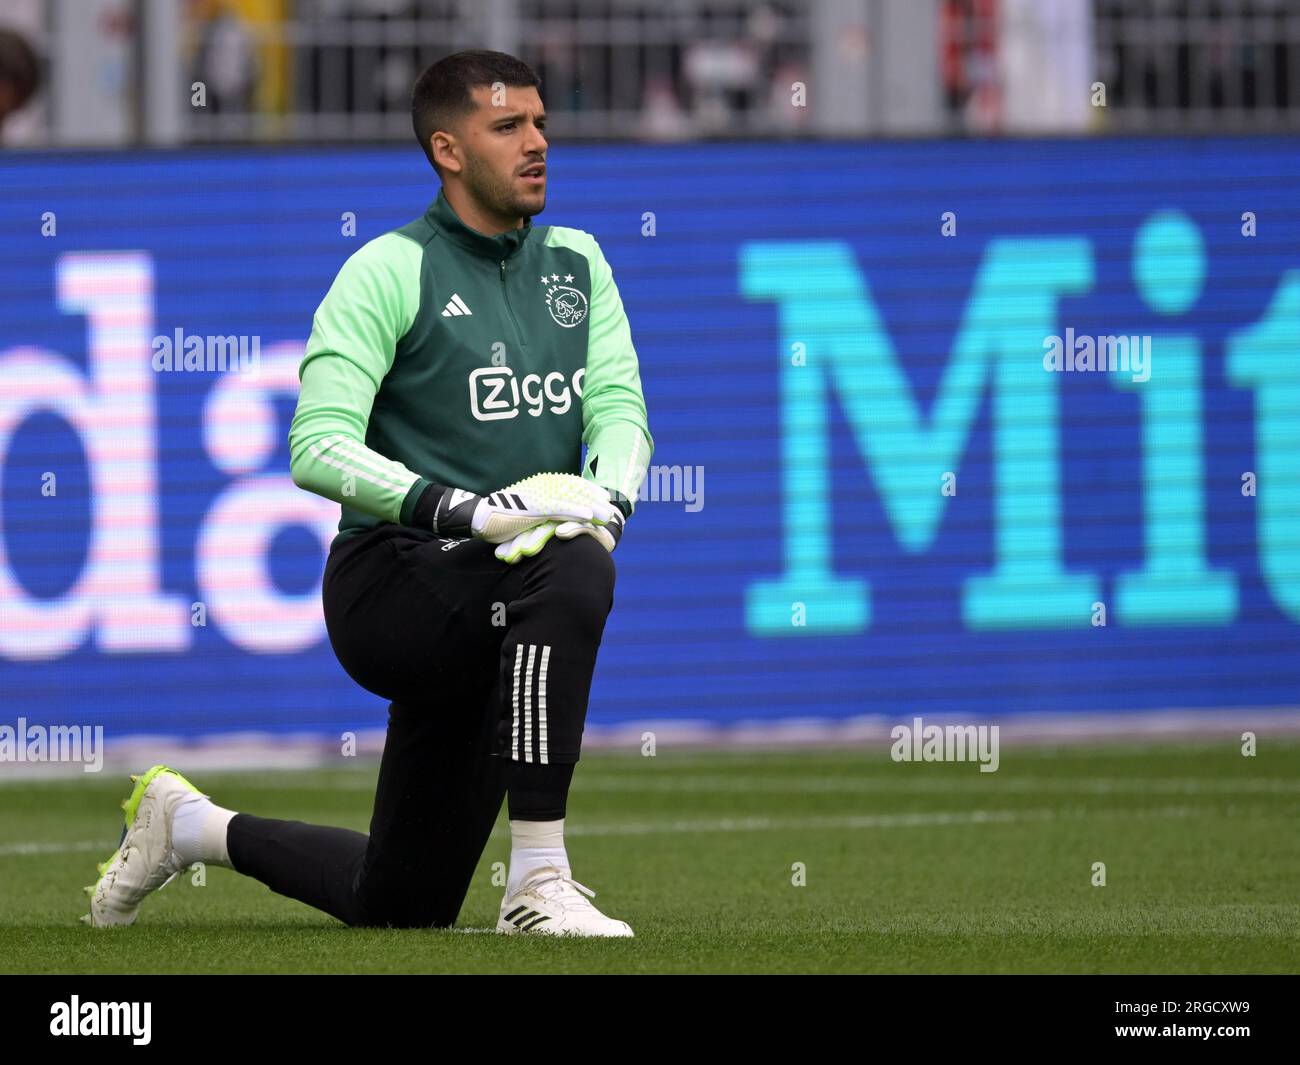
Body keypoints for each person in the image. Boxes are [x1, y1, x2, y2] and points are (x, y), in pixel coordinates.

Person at [83, 49, 653, 937]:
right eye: (508, 127)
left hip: (504, 593)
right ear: (447, 150)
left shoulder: (579, 264)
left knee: (401, 904)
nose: (537, 142)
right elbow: (315, 446)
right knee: (571, 568)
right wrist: (469, 510)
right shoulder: (386, 270)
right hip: (392, 583)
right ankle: (538, 881)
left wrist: (606, 500)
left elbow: (619, 410)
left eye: (541, 123)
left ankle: (188, 825)